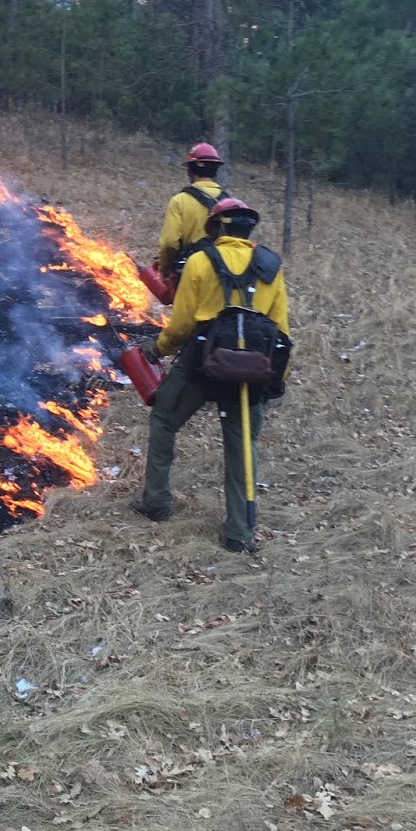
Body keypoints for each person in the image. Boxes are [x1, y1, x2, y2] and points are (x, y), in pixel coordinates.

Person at [130, 197, 289, 554]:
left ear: (216, 228)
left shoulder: (201, 262)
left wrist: (157, 349)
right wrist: (276, 378)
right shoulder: (271, 266)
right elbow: (281, 330)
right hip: (250, 371)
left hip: (202, 362)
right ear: (249, 230)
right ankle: (239, 533)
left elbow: (183, 324)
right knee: (241, 445)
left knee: (165, 418)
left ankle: (156, 502)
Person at [155, 143, 228, 294]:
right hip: (223, 276)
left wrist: (164, 269)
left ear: (190, 170)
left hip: (190, 274)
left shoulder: (179, 201)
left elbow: (169, 243)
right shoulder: (229, 203)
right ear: (215, 170)